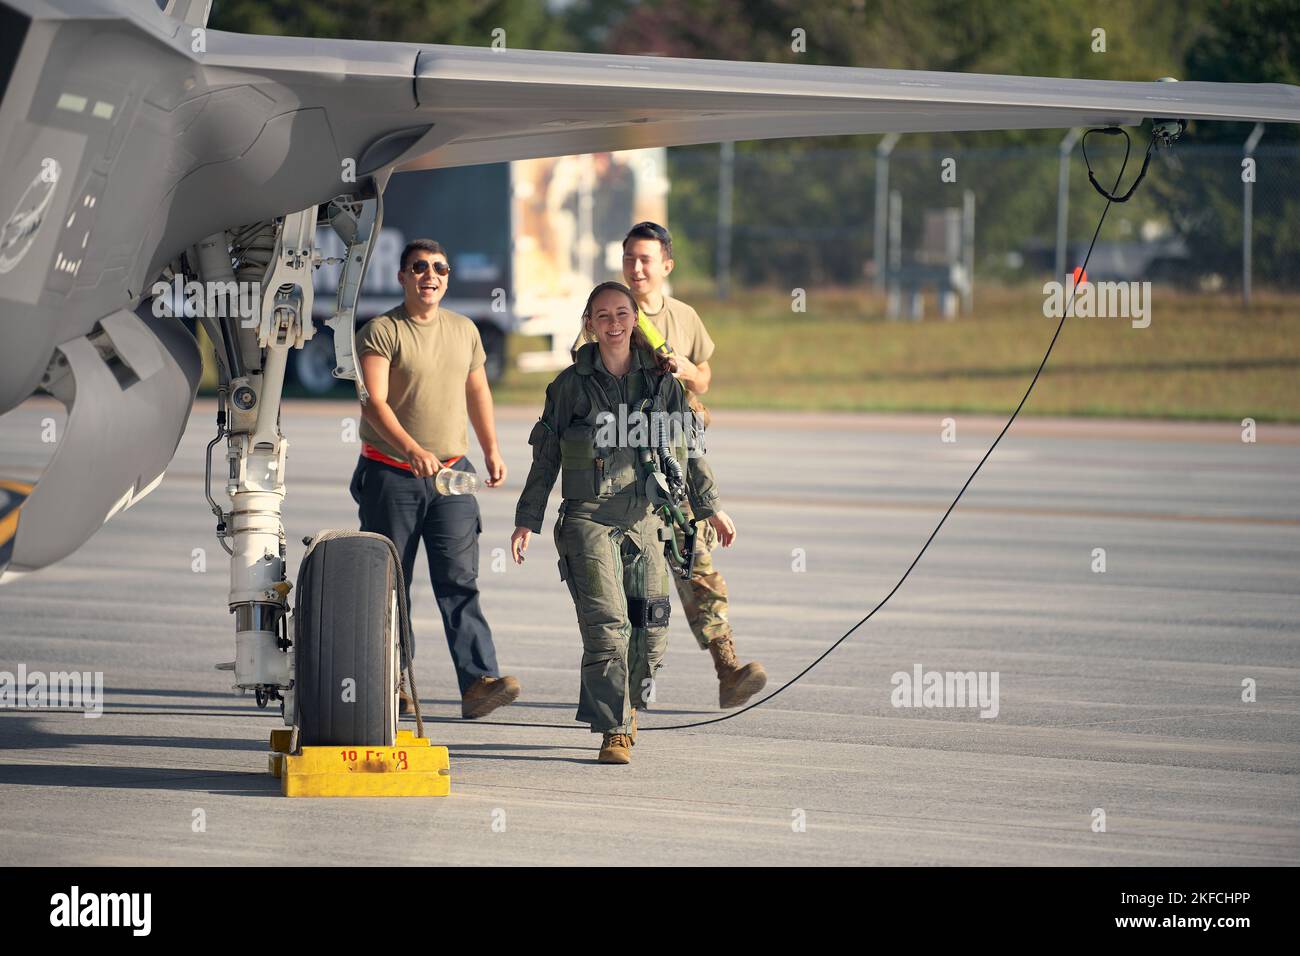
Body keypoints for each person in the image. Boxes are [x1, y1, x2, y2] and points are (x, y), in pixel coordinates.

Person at [512, 282, 737, 764]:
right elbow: (546, 456)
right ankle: (613, 728)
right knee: (608, 625)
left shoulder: (663, 385)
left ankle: (630, 707)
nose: (613, 324)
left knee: (651, 628)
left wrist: (711, 505)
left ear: (635, 320)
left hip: (648, 517)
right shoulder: (569, 386)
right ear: (589, 324)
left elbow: (692, 450)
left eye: (621, 314)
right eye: (603, 316)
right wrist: (527, 519)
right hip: (589, 517)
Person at [351, 238, 520, 720]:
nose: (431, 276)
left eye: (440, 269)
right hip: (392, 476)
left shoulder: (464, 330)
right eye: (420, 267)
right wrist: (411, 449)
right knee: (390, 586)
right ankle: (391, 684)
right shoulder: (382, 331)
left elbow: (478, 391)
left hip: (452, 479)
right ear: (402, 276)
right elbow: (373, 402)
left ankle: (478, 683)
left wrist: (490, 449)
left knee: (459, 581)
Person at [617, 221, 767, 708]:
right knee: (631, 585)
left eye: (645, 259)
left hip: (676, 464)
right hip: (625, 469)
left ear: (666, 264)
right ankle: (624, 678)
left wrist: (686, 371)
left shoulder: (683, 316)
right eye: (629, 259)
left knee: (697, 566)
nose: (636, 268)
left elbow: (703, 377)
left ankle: (728, 668)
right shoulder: (612, 312)